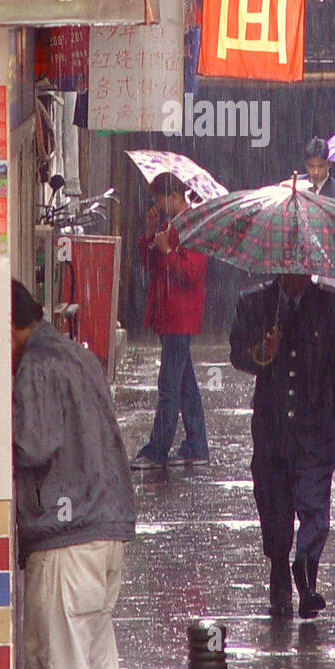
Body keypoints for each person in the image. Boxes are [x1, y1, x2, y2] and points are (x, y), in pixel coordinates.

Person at [11, 280, 136, 669]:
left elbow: (33, 445)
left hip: (69, 536)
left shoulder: (37, 365)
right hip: (106, 528)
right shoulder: (77, 356)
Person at [229, 273, 335, 619]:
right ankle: (280, 572)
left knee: (315, 506)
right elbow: (237, 353)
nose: (294, 278)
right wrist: (262, 352)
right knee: (275, 510)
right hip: (273, 431)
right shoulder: (255, 303)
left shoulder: (331, 305)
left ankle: (306, 572)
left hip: (316, 428)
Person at [131, 172, 209, 470]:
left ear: (176, 196)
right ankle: (196, 445)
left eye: (161, 199)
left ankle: (158, 449)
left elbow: (191, 274)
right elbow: (149, 265)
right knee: (185, 384)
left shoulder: (192, 226)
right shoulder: (167, 225)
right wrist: (151, 234)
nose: (158, 205)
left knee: (169, 387)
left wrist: (168, 252)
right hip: (168, 315)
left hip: (180, 316)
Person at [299, 136, 335, 202]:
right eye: (311, 166)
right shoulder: (296, 184)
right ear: (306, 164)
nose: (316, 172)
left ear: (329, 164)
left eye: (320, 166)